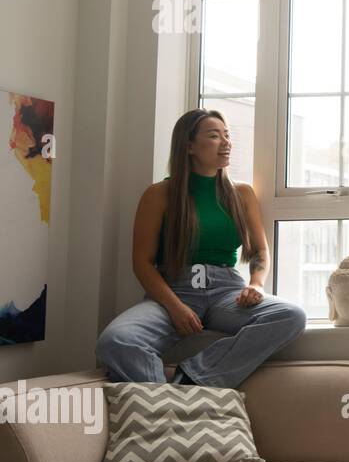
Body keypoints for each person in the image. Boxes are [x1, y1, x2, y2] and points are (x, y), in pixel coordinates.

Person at [94, 109, 307, 388]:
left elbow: (259, 252)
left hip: (227, 292)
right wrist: (175, 307)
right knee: (115, 340)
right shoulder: (159, 194)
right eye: (214, 136)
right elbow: (142, 262)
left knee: (291, 316)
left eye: (227, 136)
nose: (226, 142)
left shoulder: (241, 194)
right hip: (173, 290)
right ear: (190, 146)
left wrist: (256, 284)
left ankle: (193, 380)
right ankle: (163, 406)